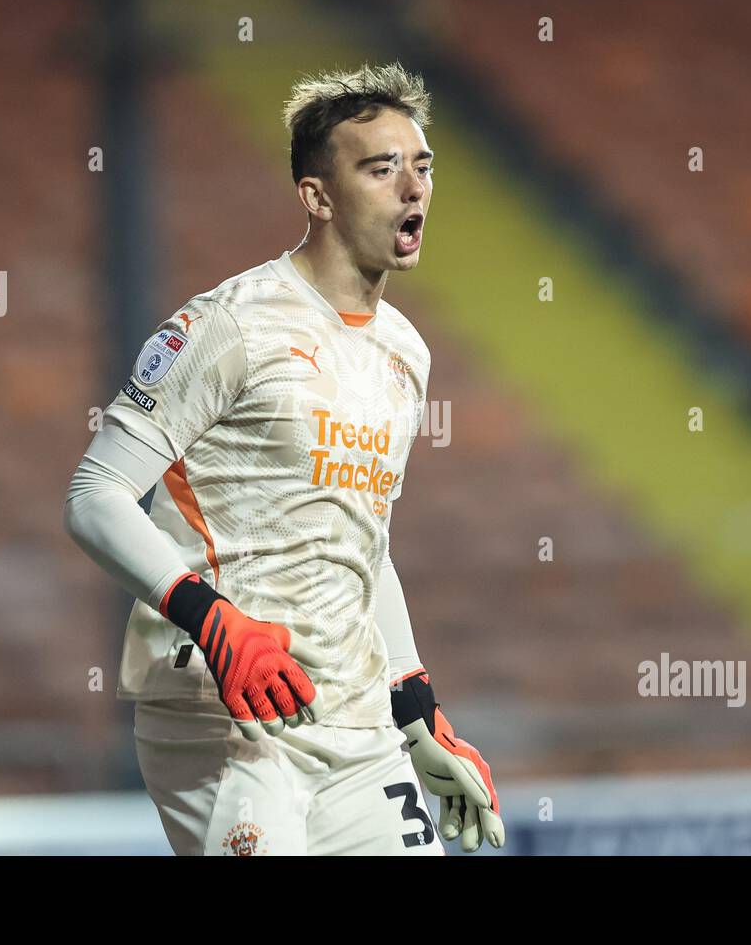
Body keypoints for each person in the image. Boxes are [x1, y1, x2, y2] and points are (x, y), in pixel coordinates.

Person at [64, 62, 502, 856]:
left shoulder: (404, 352)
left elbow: (364, 542)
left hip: (357, 722)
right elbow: (94, 494)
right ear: (318, 196)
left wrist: (416, 707)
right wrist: (215, 622)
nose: (413, 188)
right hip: (225, 714)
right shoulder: (228, 325)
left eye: (422, 165)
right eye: (381, 168)